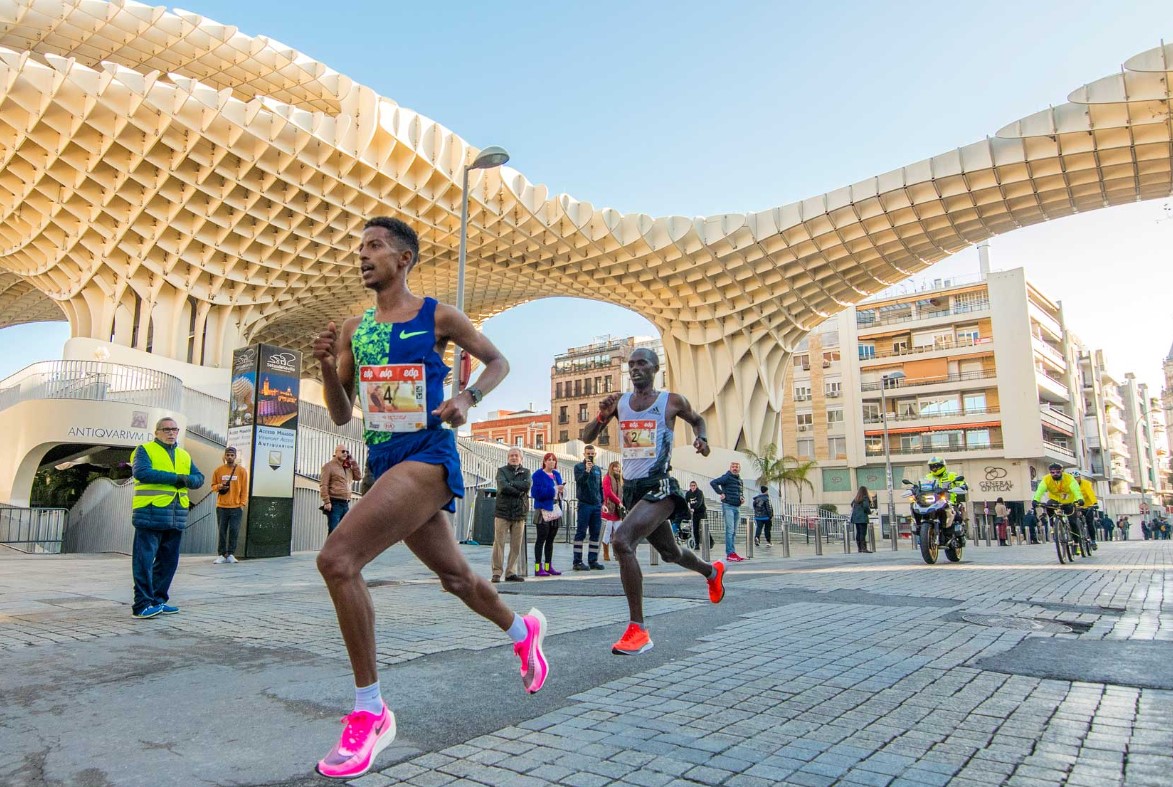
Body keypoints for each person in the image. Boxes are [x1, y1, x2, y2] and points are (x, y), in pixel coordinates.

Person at [310, 216, 548, 780]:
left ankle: (371, 711)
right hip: (384, 462)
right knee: (457, 579)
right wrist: (325, 365)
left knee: (337, 560)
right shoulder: (355, 328)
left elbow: (498, 362)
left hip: (429, 456)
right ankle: (524, 633)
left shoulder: (438, 316)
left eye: (374, 246)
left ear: (404, 259)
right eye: (360, 247)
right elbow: (342, 413)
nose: (362, 255)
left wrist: (467, 397)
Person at [582, 347, 726, 656]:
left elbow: (698, 420)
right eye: (631, 364)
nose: (635, 368)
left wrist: (702, 439)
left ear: (654, 368)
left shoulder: (671, 401)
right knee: (671, 553)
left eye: (641, 363)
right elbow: (587, 437)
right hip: (633, 491)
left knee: (621, 541)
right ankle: (712, 572)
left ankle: (638, 629)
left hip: (661, 486)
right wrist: (602, 415)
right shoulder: (621, 403)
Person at [130, 417, 204, 619]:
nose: (171, 433)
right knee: (144, 561)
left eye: (174, 429)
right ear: (157, 432)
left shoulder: (183, 454)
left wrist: (185, 479)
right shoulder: (144, 450)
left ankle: (158, 601)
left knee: (168, 562)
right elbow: (142, 473)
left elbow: (199, 478)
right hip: (150, 512)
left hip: (176, 515)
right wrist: (178, 479)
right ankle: (142, 605)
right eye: (166, 429)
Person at [492, 448, 530, 583]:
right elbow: (503, 486)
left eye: (516, 456)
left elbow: (527, 485)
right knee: (499, 543)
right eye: (511, 455)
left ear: (521, 458)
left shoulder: (526, 472)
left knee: (516, 545)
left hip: (519, 513)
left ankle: (511, 572)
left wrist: (511, 483)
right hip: (503, 512)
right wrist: (518, 490)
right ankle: (497, 572)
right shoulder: (501, 471)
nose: (514, 458)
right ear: (508, 458)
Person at [1032, 462, 1084, 551]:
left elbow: (1076, 489)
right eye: (1052, 472)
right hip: (1055, 500)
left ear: (1061, 471)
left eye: (1057, 472)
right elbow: (1040, 490)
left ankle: (1076, 543)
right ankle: (1053, 525)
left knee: (1073, 522)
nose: (1055, 474)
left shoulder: (1069, 478)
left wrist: (1080, 499)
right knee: (1048, 505)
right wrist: (1035, 500)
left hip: (1068, 501)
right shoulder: (1046, 479)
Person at [212, 446, 248, 564]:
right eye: (228, 455)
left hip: (236, 507)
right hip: (222, 506)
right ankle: (221, 554)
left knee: (234, 530)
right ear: (225, 456)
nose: (230, 457)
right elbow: (213, 486)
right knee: (222, 531)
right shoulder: (218, 470)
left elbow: (244, 489)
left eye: (232, 455)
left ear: (235, 457)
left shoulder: (242, 471)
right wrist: (219, 486)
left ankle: (231, 553)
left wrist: (242, 503)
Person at [531, 453, 564, 577]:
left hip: (555, 508)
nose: (551, 462)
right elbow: (536, 493)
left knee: (550, 540)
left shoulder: (556, 475)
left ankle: (548, 566)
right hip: (543, 510)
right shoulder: (538, 475)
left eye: (553, 460)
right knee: (541, 539)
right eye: (549, 460)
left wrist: (561, 491)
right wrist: (554, 490)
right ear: (544, 462)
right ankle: (538, 567)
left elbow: (560, 492)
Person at [572, 444, 605, 570]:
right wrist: (586, 470)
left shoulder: (597, 469)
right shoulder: (578, 467)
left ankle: (593, 560)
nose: (590, 456)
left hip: (596, 505)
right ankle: (577, 562)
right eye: (588, 454)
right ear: (584, 454)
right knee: (581, 532)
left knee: (595, 533)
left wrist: (602, 502)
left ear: (595, 454)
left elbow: (600, 487)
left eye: (592, 454)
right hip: (584, 504)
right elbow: (580, 482)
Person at [320, 444, 362, 536]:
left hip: (345, 503)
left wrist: (354, 463)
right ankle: (330, 546)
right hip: (335, 503)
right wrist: (327, 501)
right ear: (336, 453)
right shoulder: (328, 466)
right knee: (334, 532)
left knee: (344, 532)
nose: (345, 453)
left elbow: (358, 477)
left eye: (347, 452)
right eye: (343, 451)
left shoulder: (347, 467)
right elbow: (324, 485)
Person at [711, 461, 746, 562]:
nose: (735, 468)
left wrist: (742, 498)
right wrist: (721, 493)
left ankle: (733, 552)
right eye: (733, 466)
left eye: (736, 467)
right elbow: (713, 482)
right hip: (728, 506)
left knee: (734, 531)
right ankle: (729, 553)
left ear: (739, 469)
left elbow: (740, 492)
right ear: (730, 468)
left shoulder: (739, 480)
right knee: (730, 530)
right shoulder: (727, 477)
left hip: (737, 507)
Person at [601, 460, 623, 561]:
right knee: (607, 531)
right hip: (609, 508)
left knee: (619, 532)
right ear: (611, 468)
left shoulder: (619, 480)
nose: (618, 469)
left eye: (619, 467)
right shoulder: (607, 478)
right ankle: (606, 553)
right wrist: (618, 501)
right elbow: (608, 492)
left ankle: (617, 553)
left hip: (617, 511)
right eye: (615, 467)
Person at [1071, 469, 1098, 550]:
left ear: (1079, 477)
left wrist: (1094, 503)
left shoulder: (1086, 483)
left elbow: (1090, 493)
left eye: (1077, 477)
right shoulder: (1070, 485)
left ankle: (1093, 541)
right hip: (1076, 505)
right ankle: (1075, 540)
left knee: (1090, 522)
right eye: (1073, 478)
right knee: (1073, 521)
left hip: (1088, 505)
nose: (1075, 480)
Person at [684, 480, 709, 549]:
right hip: (694, 513)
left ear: (696, 486)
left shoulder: (699, 492)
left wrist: (694, 508)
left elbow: (699, 502)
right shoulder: (688, 493)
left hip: (701, 512)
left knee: (704, 527)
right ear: (690, 486)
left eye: (694, 485)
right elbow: (685, 501)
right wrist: (686, 509)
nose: (693, 487)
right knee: (695, 528)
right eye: (691, 486)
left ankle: (709, 542)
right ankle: (697, 544)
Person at [850, 486, 872, 553]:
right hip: (862, 518)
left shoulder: (856, 498)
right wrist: (869, 512)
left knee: (858, 532)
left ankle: (859, 548)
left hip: (856, 518)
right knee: (863, 533)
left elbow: (851, 504)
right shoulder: (865, 497)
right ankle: (864, 548)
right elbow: (866, 506)